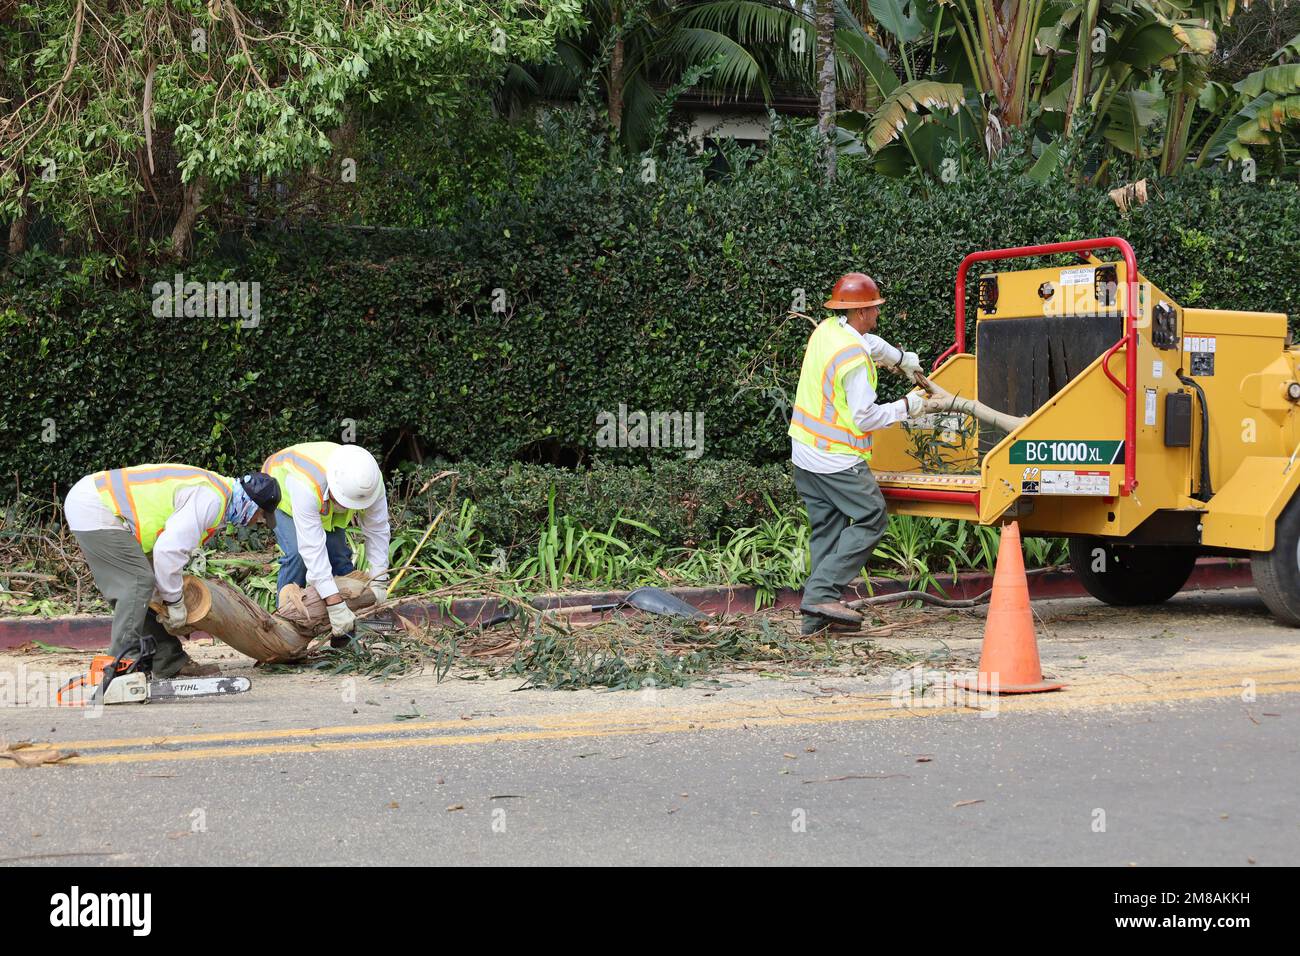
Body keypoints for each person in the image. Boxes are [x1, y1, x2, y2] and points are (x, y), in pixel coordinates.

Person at [788, 272, 937, 634]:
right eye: (874, 308)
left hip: (805, 452)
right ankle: (820, 596)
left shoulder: (828, 331)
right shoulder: (853, 358)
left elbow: (869, 343)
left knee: (829, 529)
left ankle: (816, 620)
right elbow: (865, 417)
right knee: (871, 518)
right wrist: (909, 405)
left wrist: (901, 358)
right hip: (836, 458)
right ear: (862, 312)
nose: (877, 314)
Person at [64, 465, 281, 676]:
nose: (256, 522)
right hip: (96, 507)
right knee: (137, 583)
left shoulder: (218, 491)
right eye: (260, 516)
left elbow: (166, 554)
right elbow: (168, 551)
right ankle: (120, 666)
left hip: (100, 505)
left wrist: (165, 599)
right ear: (251, 505)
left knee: (143, 590)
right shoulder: (211, 499)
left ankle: (168, 661)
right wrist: (175, 603)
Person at [262, 441, 390, 645]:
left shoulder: (369, 481)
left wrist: (379, 578)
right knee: (297, 555)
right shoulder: (306, 484)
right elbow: (312, 549)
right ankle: (284, 628)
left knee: (338, 554)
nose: (347, 507)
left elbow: (377, 530)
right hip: (279, 491)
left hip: (320, 500)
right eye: (344, 502)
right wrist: (334, 603)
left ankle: (347, 633)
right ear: (333, 488)